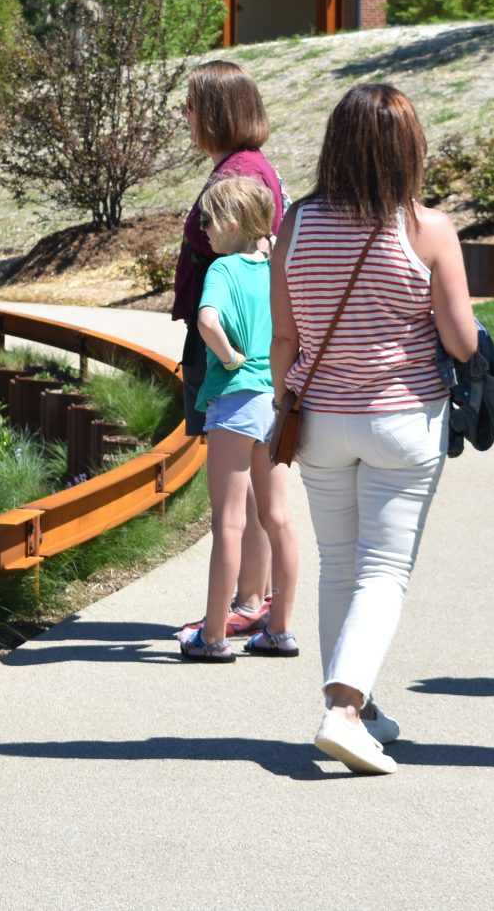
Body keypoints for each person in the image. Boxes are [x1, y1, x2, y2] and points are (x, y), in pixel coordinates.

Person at [270, 83, 477, 774]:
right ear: (407, 150)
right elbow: (462, 340)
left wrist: (286, 398)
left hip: (320, 419)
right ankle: (344, 709)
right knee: (383, 570)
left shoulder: (295, 224)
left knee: (340, 563)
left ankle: (361, 703)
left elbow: (285, 338)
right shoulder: (425, 228)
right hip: (401, 418)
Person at [171, 60, 287, 640]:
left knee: (238, 493)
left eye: (190, 106)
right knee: (263, 492)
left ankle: (245, 602)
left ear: (215, 112)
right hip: (254, 365)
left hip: (235, 360)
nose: (185, 116)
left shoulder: (237, 176)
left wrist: (226, 351)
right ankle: (259, 602)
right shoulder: (248, 168)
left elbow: (225, 277)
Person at [178, 176, 299, 661]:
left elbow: (207, 321)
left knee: (228, 522)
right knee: (278, 517)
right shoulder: (275, 268)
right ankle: (280, 628)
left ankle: (211, 637)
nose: (202, 230)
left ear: (230, 222)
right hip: (273, 401)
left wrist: (228, 358)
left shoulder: (222, 269)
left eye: (206, 220)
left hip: (233, 402)